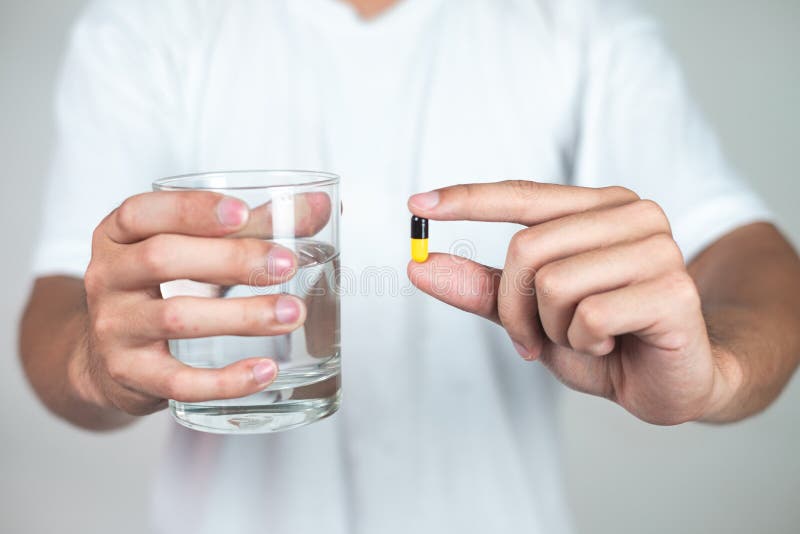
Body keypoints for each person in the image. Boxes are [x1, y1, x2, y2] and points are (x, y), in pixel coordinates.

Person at [19, 0, 800, 532]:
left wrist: (720, 373)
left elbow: (742, 246)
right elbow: (59, 295)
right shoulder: (148, 26)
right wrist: (96, 362)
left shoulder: (577, 25)